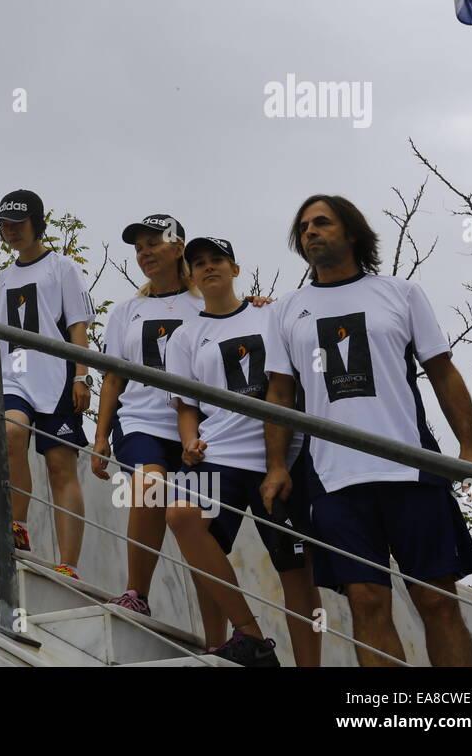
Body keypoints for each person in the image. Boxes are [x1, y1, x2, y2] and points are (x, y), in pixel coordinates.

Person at [262, 195, 472, 667]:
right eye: (303, 228)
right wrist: (277, 466)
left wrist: (470, 448)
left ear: (352, 231)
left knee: (438, 601)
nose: (310, 232)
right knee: (365, 602)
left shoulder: (401, 293)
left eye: (322, 223)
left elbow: (443, 372)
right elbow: (279, 395)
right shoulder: (286, 310)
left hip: (412, 468)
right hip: (333, 478)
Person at [163, 237, 322, 667]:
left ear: (235, 268)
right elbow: (186, 407)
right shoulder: (184, 336)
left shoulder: (271, 311)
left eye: (217, 260)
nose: (208, 267)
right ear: (190, 276)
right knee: (181, 514)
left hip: (282, 454)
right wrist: (188, 442)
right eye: (199, 263)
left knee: (295, 569)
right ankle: (249, 636)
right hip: (220, 452)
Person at [91, 214, 203, 615]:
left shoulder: (205, 302)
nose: (145, 253)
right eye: (139, 248)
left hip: (197, 428)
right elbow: (112, 379)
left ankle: (222, 637)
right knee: (148, 485)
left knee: (199, 524)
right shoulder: (126, 312)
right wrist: (101, 437)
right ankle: (137, 593)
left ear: (178, 248)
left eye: (153, 243)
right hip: (140, 421)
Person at [0, 189, 93, 579]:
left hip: (58, 377)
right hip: (16, 374)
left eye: (18, 224)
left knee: (60, 467)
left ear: (36, 223)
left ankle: (69, 563)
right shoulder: (1, 280)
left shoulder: (62, 267)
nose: (11, 232)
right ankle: (18, 526)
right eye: (5, 226)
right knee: (12, 432)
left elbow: (79, 324)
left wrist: (81, 375)